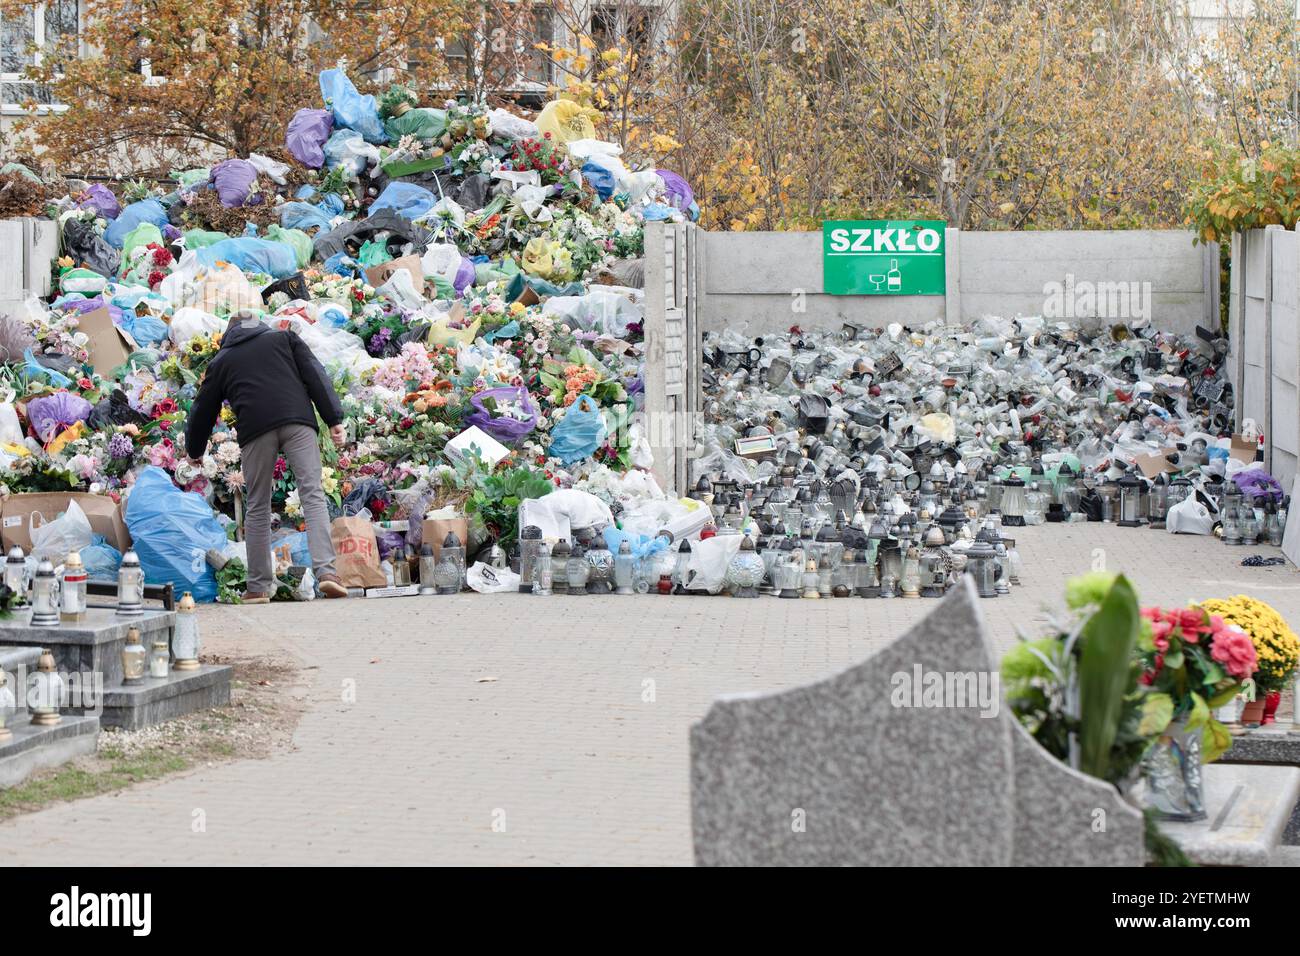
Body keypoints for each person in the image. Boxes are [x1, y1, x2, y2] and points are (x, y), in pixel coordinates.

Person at [185, 311, 348, 601]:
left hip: (255, 430)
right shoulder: (284, 338)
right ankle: (327, 572)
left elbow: (203, 409)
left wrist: (195, 451)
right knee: (312, 493)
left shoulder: (222, 361)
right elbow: (315, 374)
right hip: (297, 421)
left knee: (258, 504)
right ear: (259, 325)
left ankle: (258, 586)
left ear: (228, 333)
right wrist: (334, 418)